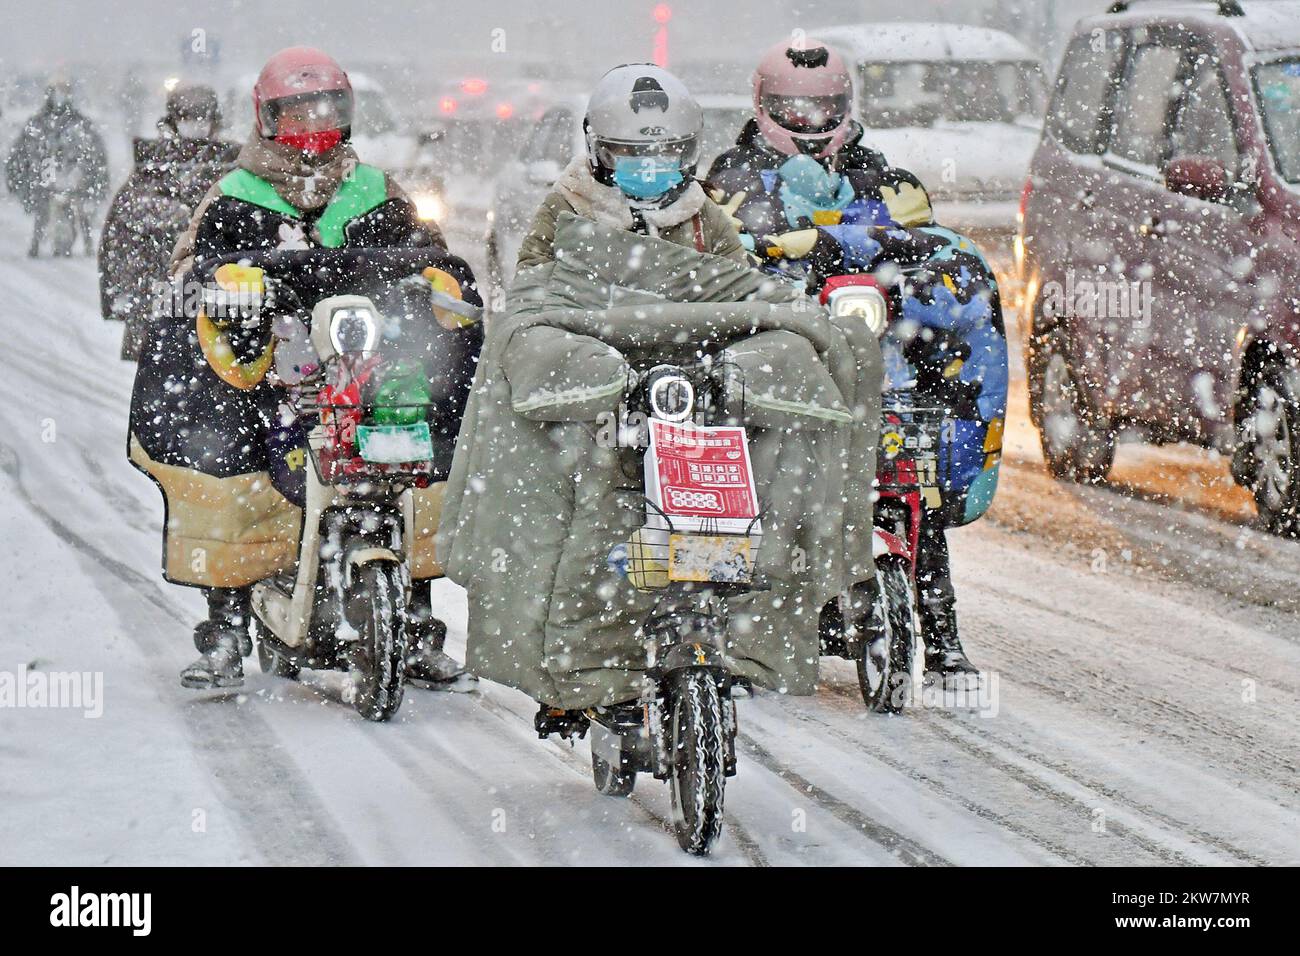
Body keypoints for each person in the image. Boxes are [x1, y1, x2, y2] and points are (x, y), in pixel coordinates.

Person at [437, 65, 884, 736]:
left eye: (666, 155)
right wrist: (591, 368)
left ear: (689, 152)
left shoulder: (705, 219)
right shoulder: (564, 211)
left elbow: (738, 300)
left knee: (752, 495)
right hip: (606, 407)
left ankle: (740, 632)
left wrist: (745, 362)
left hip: (690, 397)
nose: (650, 169)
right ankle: (579, 671)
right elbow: (536, 307)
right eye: (631, 156)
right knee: (575, 511)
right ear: (597, 150)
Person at [128, 48, 476, 690]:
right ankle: (226, 632)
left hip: (367, 364)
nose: (313, 125)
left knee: (418, 459)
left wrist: (437, 278)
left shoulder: (375, 187)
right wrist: (226, 287)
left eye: (326, 109)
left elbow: (432, 258)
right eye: (297, 113)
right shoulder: (233, 194)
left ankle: (419, 628)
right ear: (267, 119)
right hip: (268, 373)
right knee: (232, 472)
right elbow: (184, 278)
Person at [706, 39, 996, 685]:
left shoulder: (889, 179)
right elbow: (720, 262)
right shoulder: (727, 178)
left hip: (875, 354)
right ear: (763, 105)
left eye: (825, 109)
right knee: (747, 483)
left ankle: (943, 639)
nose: (811, 124)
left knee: (907, 482)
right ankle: (730, 625)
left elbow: (930, 252)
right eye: (793, 110)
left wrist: (869, 267)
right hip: (775, 355)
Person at [99, 84, 238, 360]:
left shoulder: (234, 168)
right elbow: (120, 239)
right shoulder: (149, 170)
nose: (196, 126)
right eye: (189, 118)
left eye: (202, 118)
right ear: (173, 121)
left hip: (224, 296)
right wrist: (127, 297)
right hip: (162, 295)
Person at [5, 78, 108, 257]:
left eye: (64, 93)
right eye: (57, 93)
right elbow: (22, 153)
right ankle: (37, 242)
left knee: (82, 210)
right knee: (42, 209)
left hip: (72, 178)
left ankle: (86, 240)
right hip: (47, 178)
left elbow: (95, 154)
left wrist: (91, 174)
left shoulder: (80, 124)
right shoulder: (38, 123)